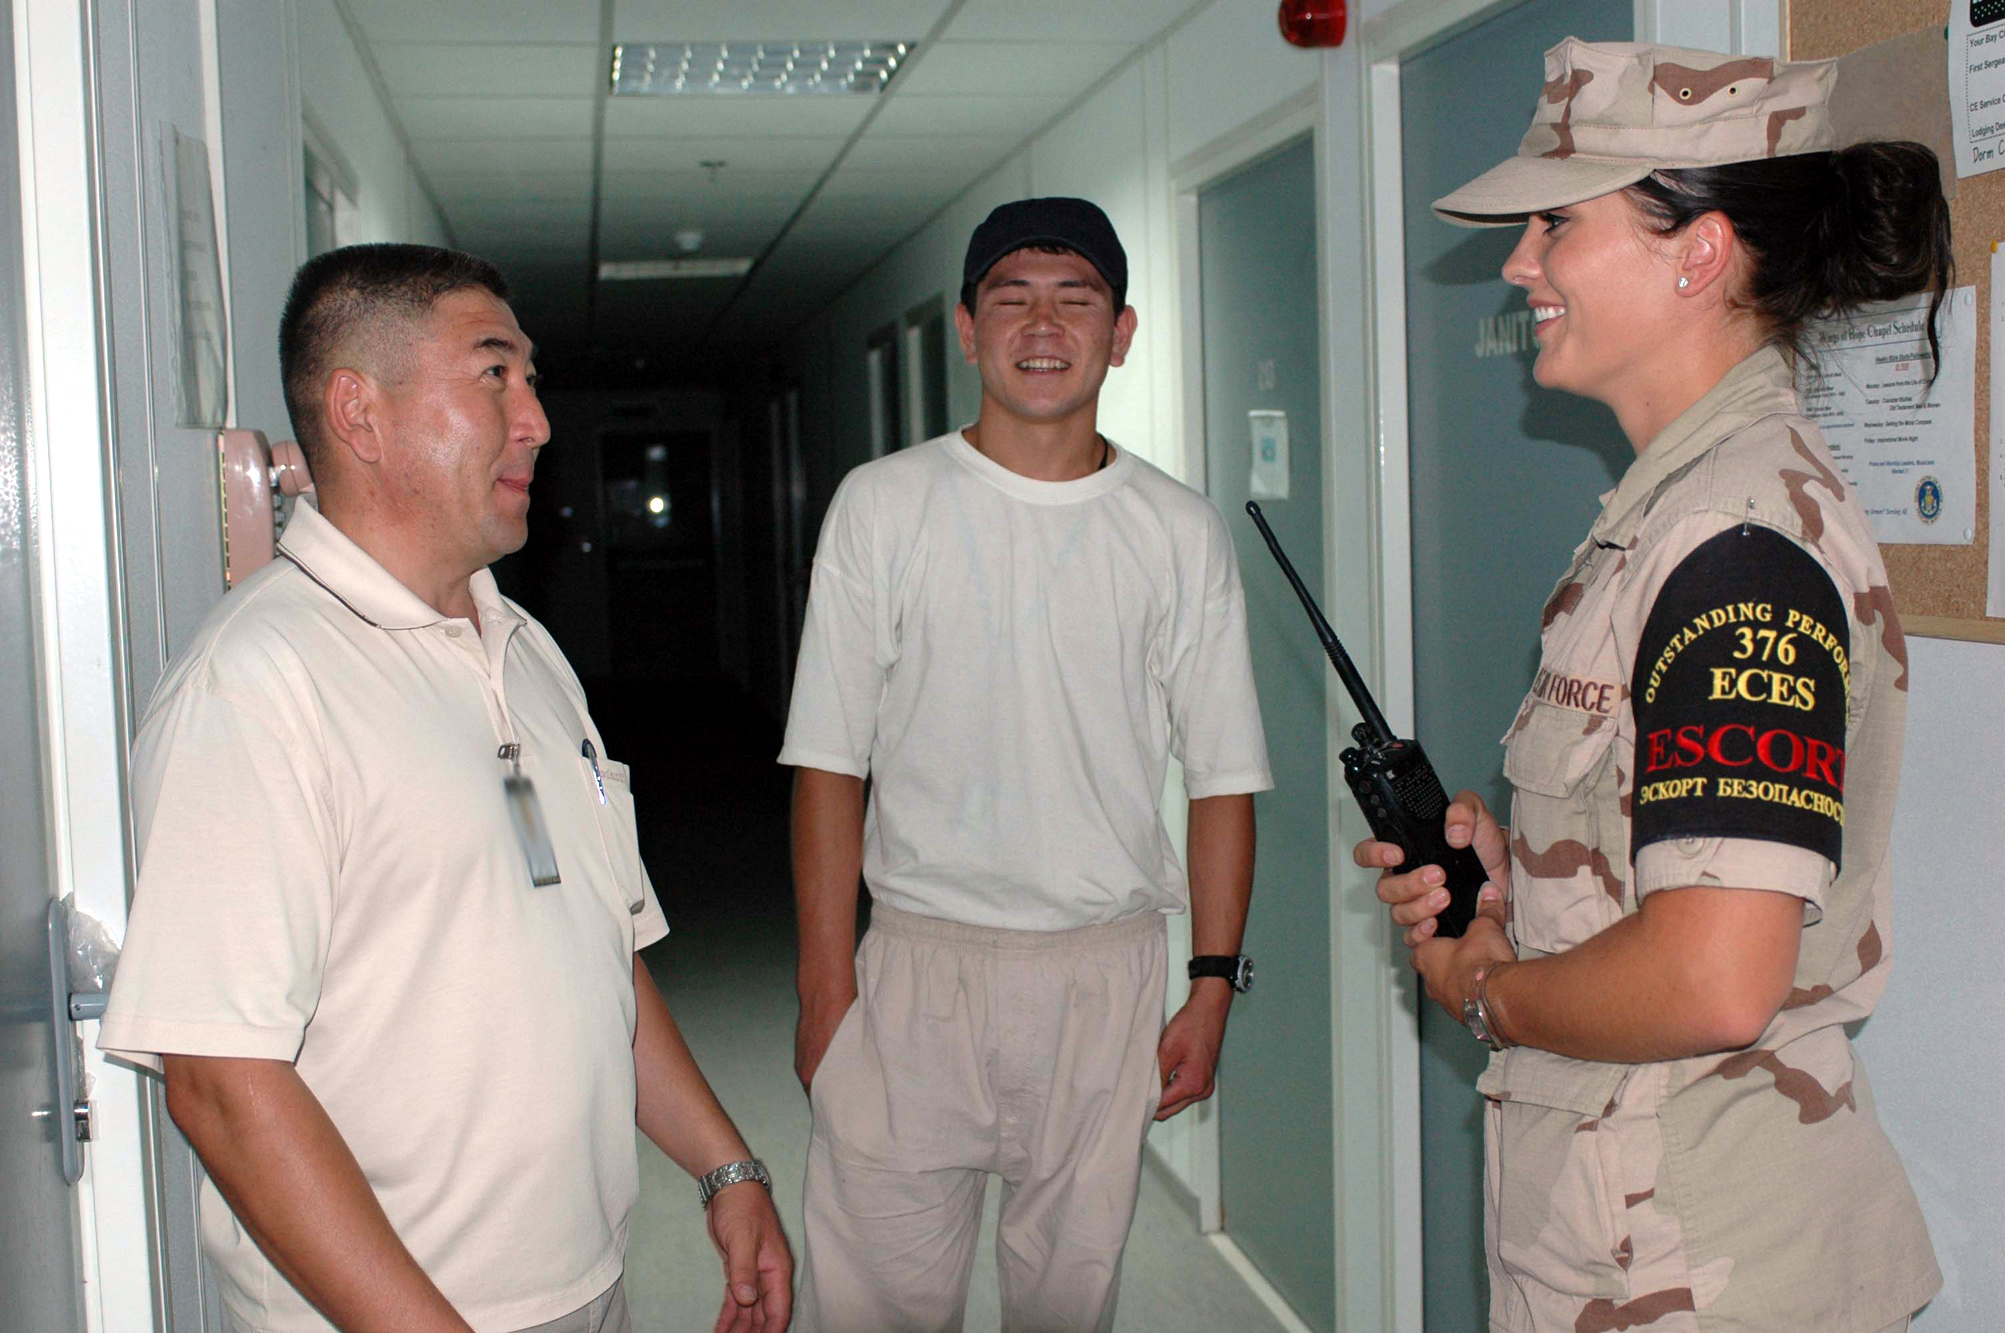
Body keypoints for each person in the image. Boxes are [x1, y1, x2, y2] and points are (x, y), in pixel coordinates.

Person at [1358, 39, 1944, 1333]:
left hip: (1694, 1264)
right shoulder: (1677, 509)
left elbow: (1712, 979)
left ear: (1698, 253)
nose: (1519, 265)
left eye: (1556, 224)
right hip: (1634, 1230)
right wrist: (1541, 878)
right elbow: (1681, 878)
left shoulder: (1738, 543)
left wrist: (1485, 980)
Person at [98, 244, 792, 1333]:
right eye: (493, 376)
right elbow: (223, 1087)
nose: (538, 422)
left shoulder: (524, 650)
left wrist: (724, 1166)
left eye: (532, 380)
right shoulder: (257, 686)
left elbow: (591, 945)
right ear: (360, 414)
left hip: (582, 1283)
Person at [782, 197, 1272, 1331]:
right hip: (913, 969)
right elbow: (826, 765)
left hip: (1101, 977)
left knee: (1067, 1303)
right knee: (875, 1306)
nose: (1042, 324)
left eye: (1075, 298)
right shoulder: (884, 506)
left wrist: (1210, 984)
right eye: (1011, 297)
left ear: (1122, 331)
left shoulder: (1176, 530)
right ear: (965, 329)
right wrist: (825, 986)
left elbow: (1222, 780)